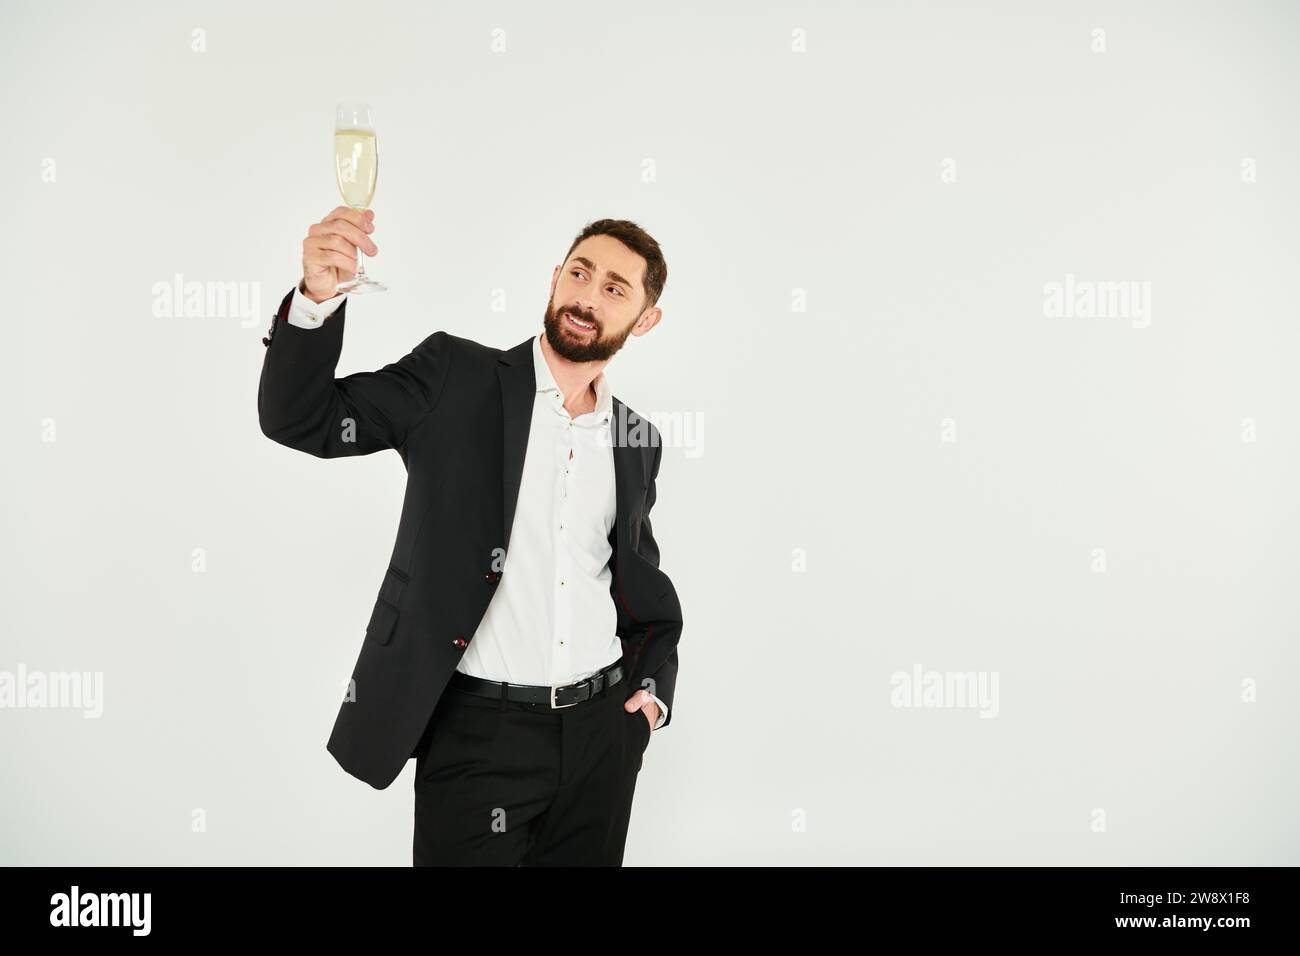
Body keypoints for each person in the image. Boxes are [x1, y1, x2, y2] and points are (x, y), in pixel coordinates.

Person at [257, 207, 681, 865]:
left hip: (602, 740)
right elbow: (301, 419)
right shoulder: (454, 377)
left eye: (615, 289)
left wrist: (646, 707)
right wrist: (315, 299)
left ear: (644, 320)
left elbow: (642, 593)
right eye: (579, 273)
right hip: (479, 736)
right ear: (554, 279)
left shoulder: (636, 439)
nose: (587, 297)